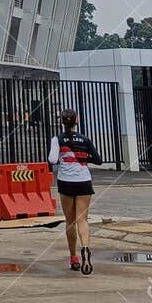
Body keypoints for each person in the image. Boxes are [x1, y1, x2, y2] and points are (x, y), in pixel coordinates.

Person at [48, 108, 103, 275]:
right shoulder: (85, 139)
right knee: (82, 219)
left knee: (70, 221)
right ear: (76, 120)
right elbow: (98, 160)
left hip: (66, 182)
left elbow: (52, 159)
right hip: (83, 181)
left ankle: (73, 257)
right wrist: (84, 157)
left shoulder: (57, 139)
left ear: (62, 122)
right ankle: (85, 248)